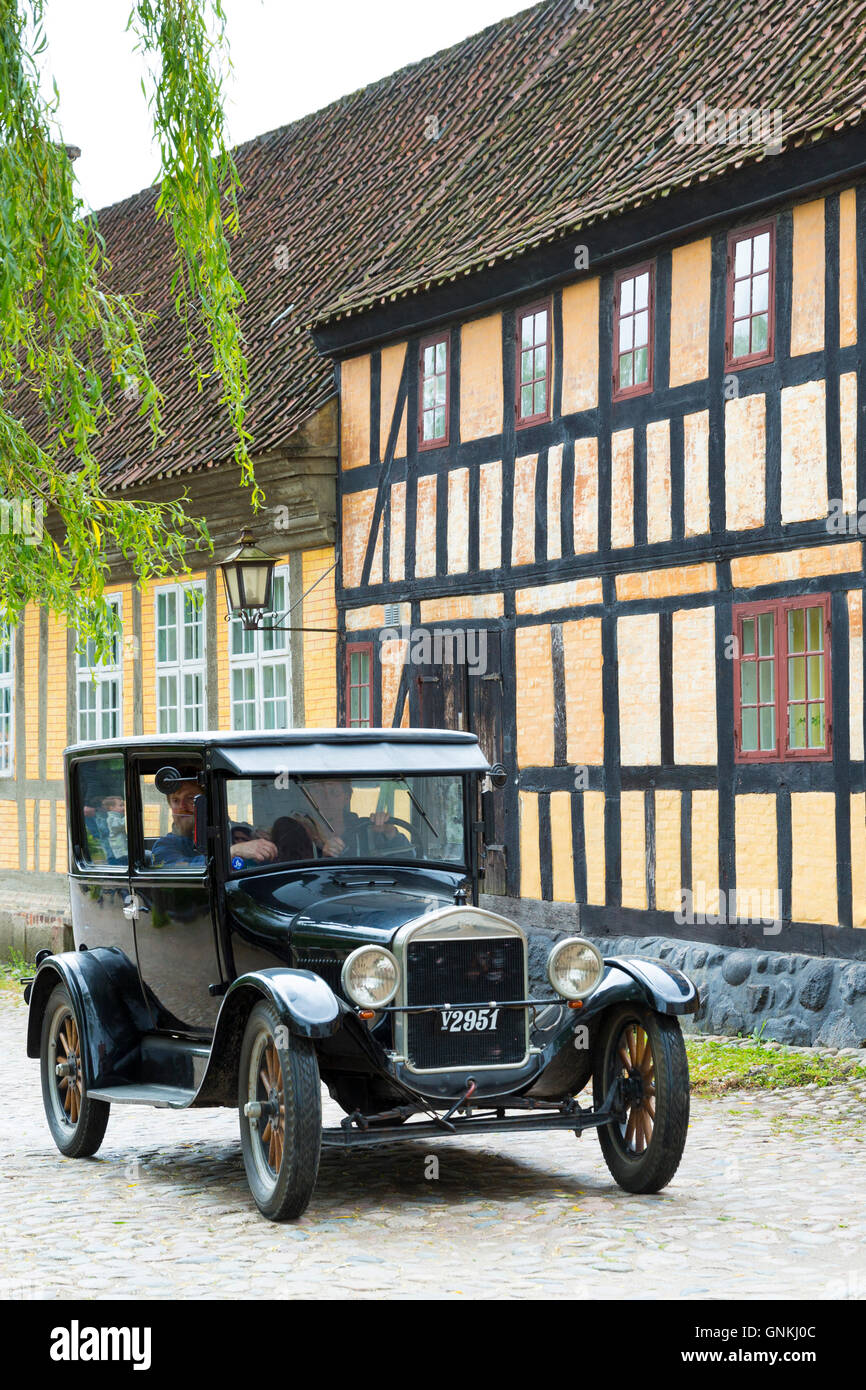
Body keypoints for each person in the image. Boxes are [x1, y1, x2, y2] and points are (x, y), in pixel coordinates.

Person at [151, 778, 280, 868]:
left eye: (190, 799)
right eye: (175, 800)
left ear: (207, 804)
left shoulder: (235, 830)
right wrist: (232, 852)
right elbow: (179, 871)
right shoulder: (165, 845)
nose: (181, 807)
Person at [302, 779, 409, 858]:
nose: (326, 799)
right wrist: (323, 857)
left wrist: (390, 833)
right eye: (318, 792)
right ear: (308, 798)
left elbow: (408, 861)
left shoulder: (368, 830)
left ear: (347, 797)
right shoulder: (300, 834)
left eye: (334, 793)